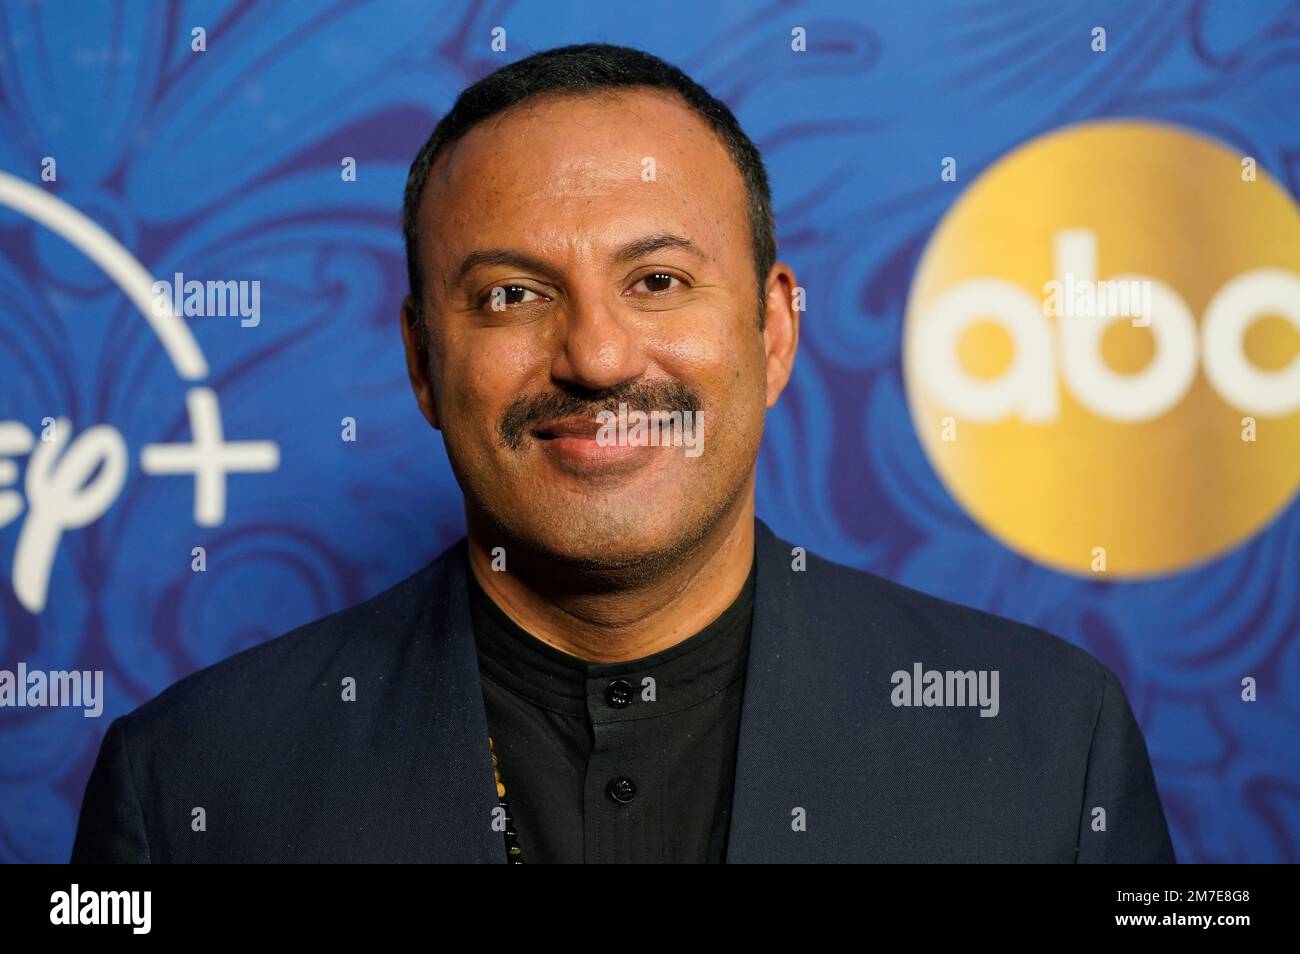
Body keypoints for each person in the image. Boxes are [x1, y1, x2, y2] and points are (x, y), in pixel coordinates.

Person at [71, 43, 1175, 864]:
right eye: (511, 295)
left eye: (657, 282)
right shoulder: (191, 785)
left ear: (774, 329)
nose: (596, 357)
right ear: (421, 362)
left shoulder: (1043, 741)